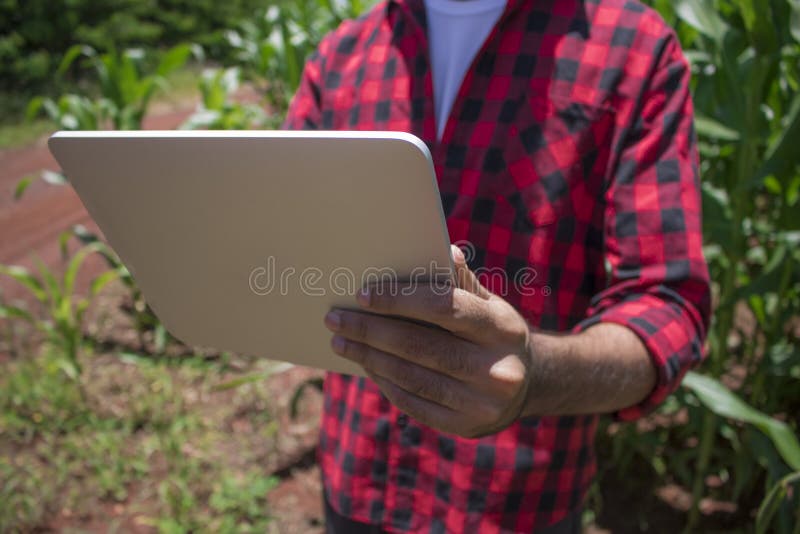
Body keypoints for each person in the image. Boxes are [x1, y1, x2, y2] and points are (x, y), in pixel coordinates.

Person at [283, 0, 711, 532]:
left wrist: (536, 373)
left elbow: (667, 309)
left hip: (517, 501)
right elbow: (292, 241)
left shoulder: (635, 50)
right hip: (357, 478)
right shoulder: (341, 56)